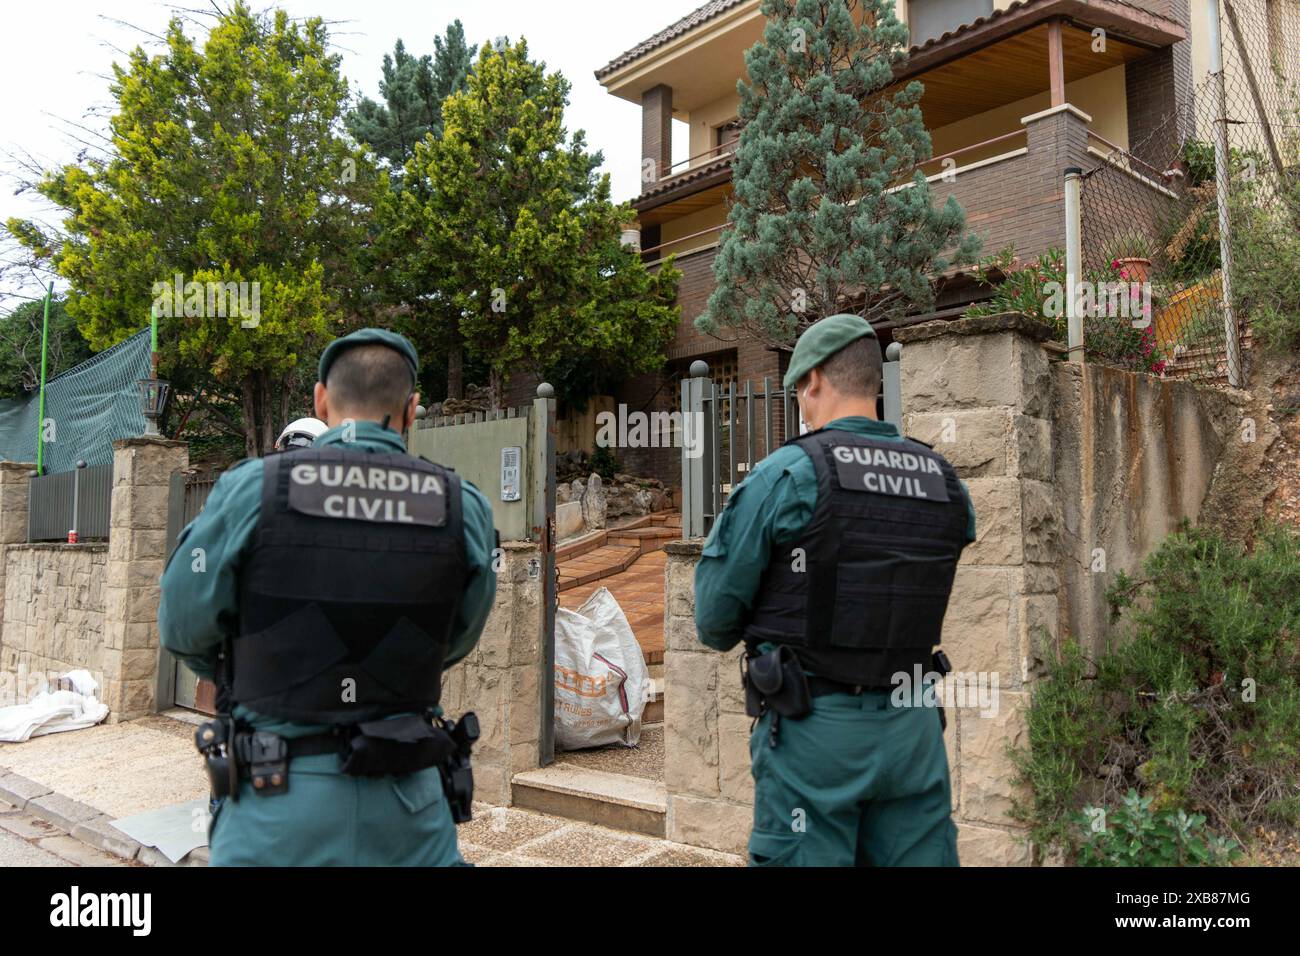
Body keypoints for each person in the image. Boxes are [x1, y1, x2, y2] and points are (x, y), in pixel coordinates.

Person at [158, 328, 497, 866]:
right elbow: (456, 638)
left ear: (320, 399)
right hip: (410, 810)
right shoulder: (462, 507)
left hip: (272, 805)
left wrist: (262, 666)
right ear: (412, 409)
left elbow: (182, 628)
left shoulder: (254, 490)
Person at [693, 313, 977, 867]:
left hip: (814, 734)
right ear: (873, 382)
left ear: (814, 381)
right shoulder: (944, 480)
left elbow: (713, 620)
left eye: (799, 388)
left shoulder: (787, 476)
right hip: (914, 734)